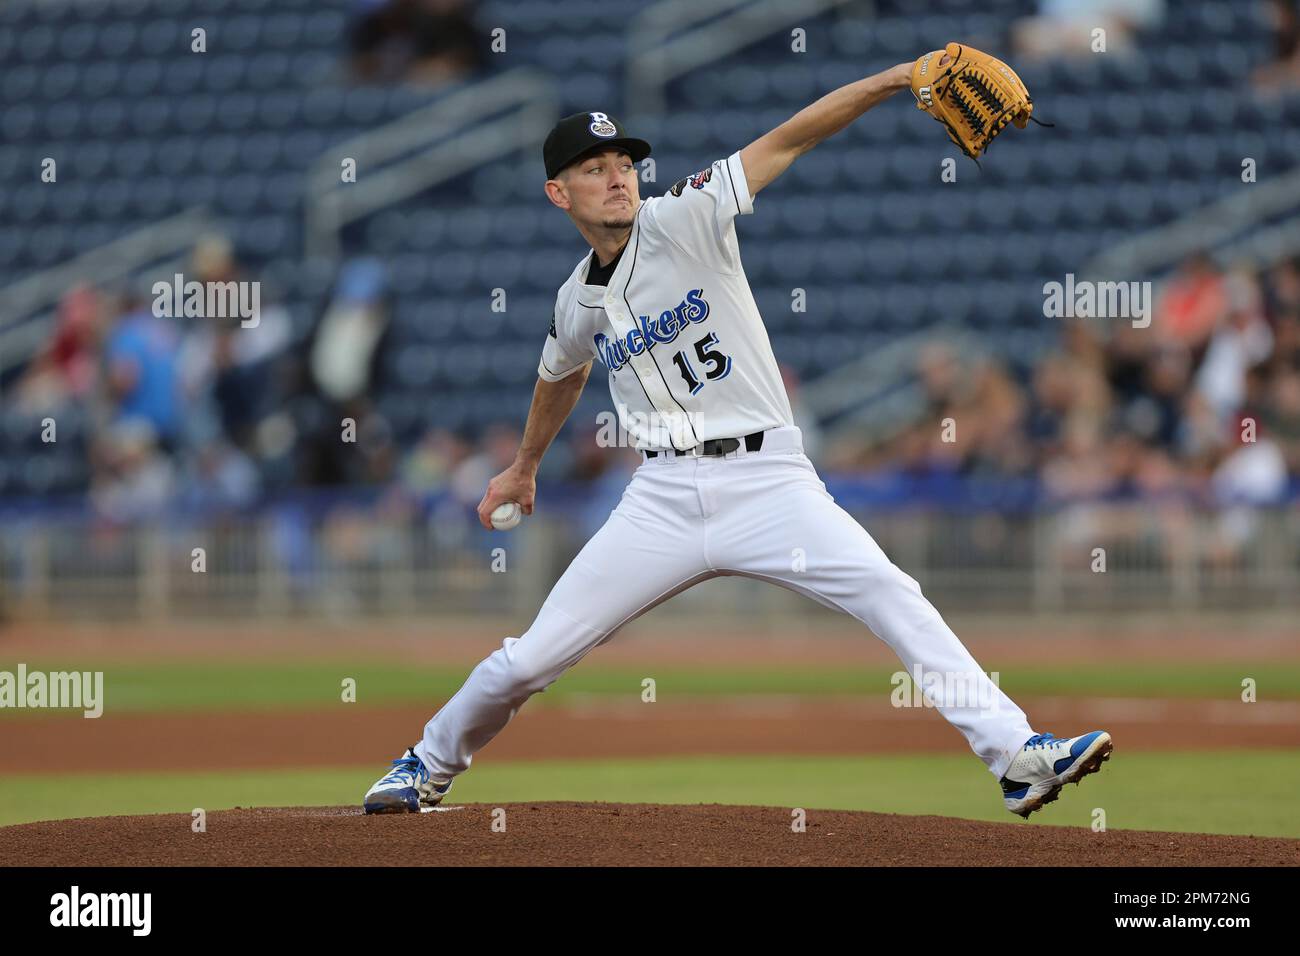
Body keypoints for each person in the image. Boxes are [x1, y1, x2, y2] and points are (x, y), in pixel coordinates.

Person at [365, 54, 1112, 819]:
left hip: (769, 481)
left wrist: (894, 79)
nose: (619, 175)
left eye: (625, 161)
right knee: (532, 657)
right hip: (659, 498)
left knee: (892, 593)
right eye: (595, 167)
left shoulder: (685, 217)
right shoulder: (574, 299)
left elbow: (790, 139)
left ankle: (1017, 755)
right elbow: (561, 371)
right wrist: (525, 466)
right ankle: (424, 763)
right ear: (560, 193)